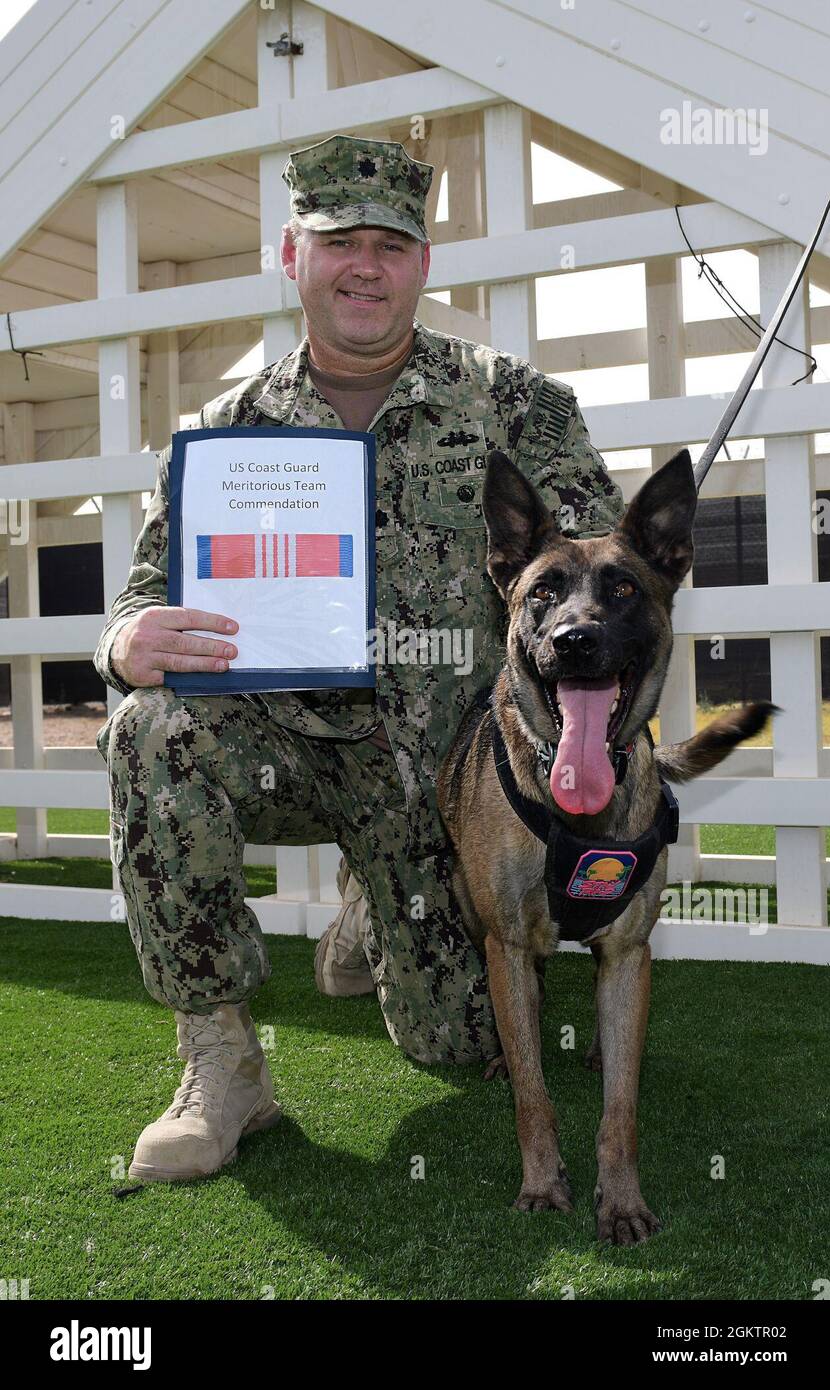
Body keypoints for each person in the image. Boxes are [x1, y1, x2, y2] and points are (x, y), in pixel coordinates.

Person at [94, 133, 626, 1183]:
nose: (366, 266)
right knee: (148, 727)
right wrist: (123, 641)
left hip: (445, 784)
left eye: (392, 243)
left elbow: (600, 588)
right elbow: (143, 599)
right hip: (283, 746)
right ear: (292, 253)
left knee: (463, 1043)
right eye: (341, 242)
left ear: (423, 263)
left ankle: (371, 908)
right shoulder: (225, 433)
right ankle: (222, 1062)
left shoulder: (516, 408)